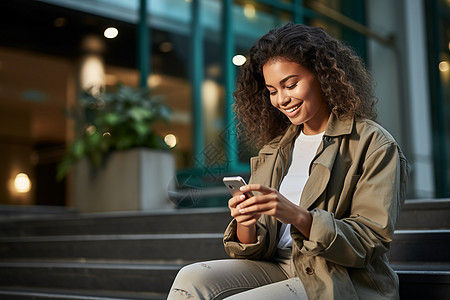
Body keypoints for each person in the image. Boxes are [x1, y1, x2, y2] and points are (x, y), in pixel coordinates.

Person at [167, 22, 408, 300]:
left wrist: (297, 216)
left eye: (290, 85)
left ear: (322, 76)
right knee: (191, 278)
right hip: (278, 266)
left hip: (339, 277)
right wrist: (246, 221)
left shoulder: (373, 144)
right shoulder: (275, 151)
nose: (281, 99)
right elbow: (254, 249)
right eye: (271, 90)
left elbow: (369, 241)